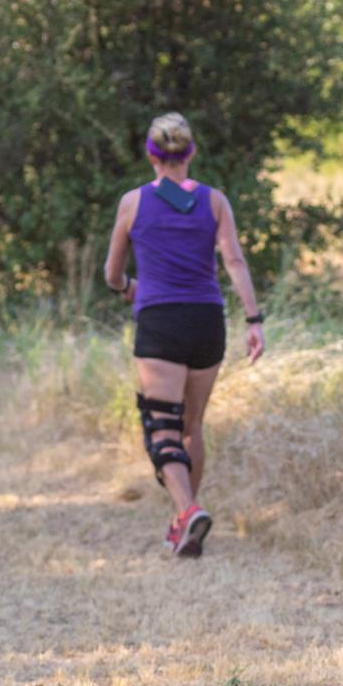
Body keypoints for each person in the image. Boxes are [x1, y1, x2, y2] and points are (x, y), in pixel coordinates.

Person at [101, 111, 264, 557]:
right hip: (207, 321)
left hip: (160, 323)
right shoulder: (215, 201)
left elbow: (112, 273)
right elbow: (234, 261)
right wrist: (254, 320)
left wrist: (128, 288)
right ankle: (185, 522)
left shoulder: (134, 202)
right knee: (192, 425)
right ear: (190, 153)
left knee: (162, 426)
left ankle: (188, 510)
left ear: (151, 155)